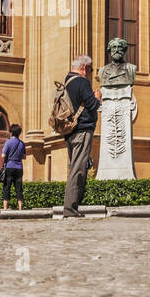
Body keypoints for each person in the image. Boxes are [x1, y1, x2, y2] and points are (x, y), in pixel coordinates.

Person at [61, 55, 100, 218]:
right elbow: (93, 105)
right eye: (90, 69)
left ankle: (73, 207)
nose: (90, 73)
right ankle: (70, 208)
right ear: (84, 67)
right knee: (77, 169)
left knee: (76, 167)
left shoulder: (67, 82)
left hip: (69, 132)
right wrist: (97, 97)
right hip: (82, 131)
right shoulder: (81, 82)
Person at [0, 124, 26, 211]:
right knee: (19, 187)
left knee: (7, 187)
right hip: (19, 167)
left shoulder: (8, 142)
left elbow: (3, 156)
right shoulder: (22, 143)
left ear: (11, 132)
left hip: (9, 167)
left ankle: (5, 208)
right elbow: (24, 157)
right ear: (19, 133)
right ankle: (20, 208)